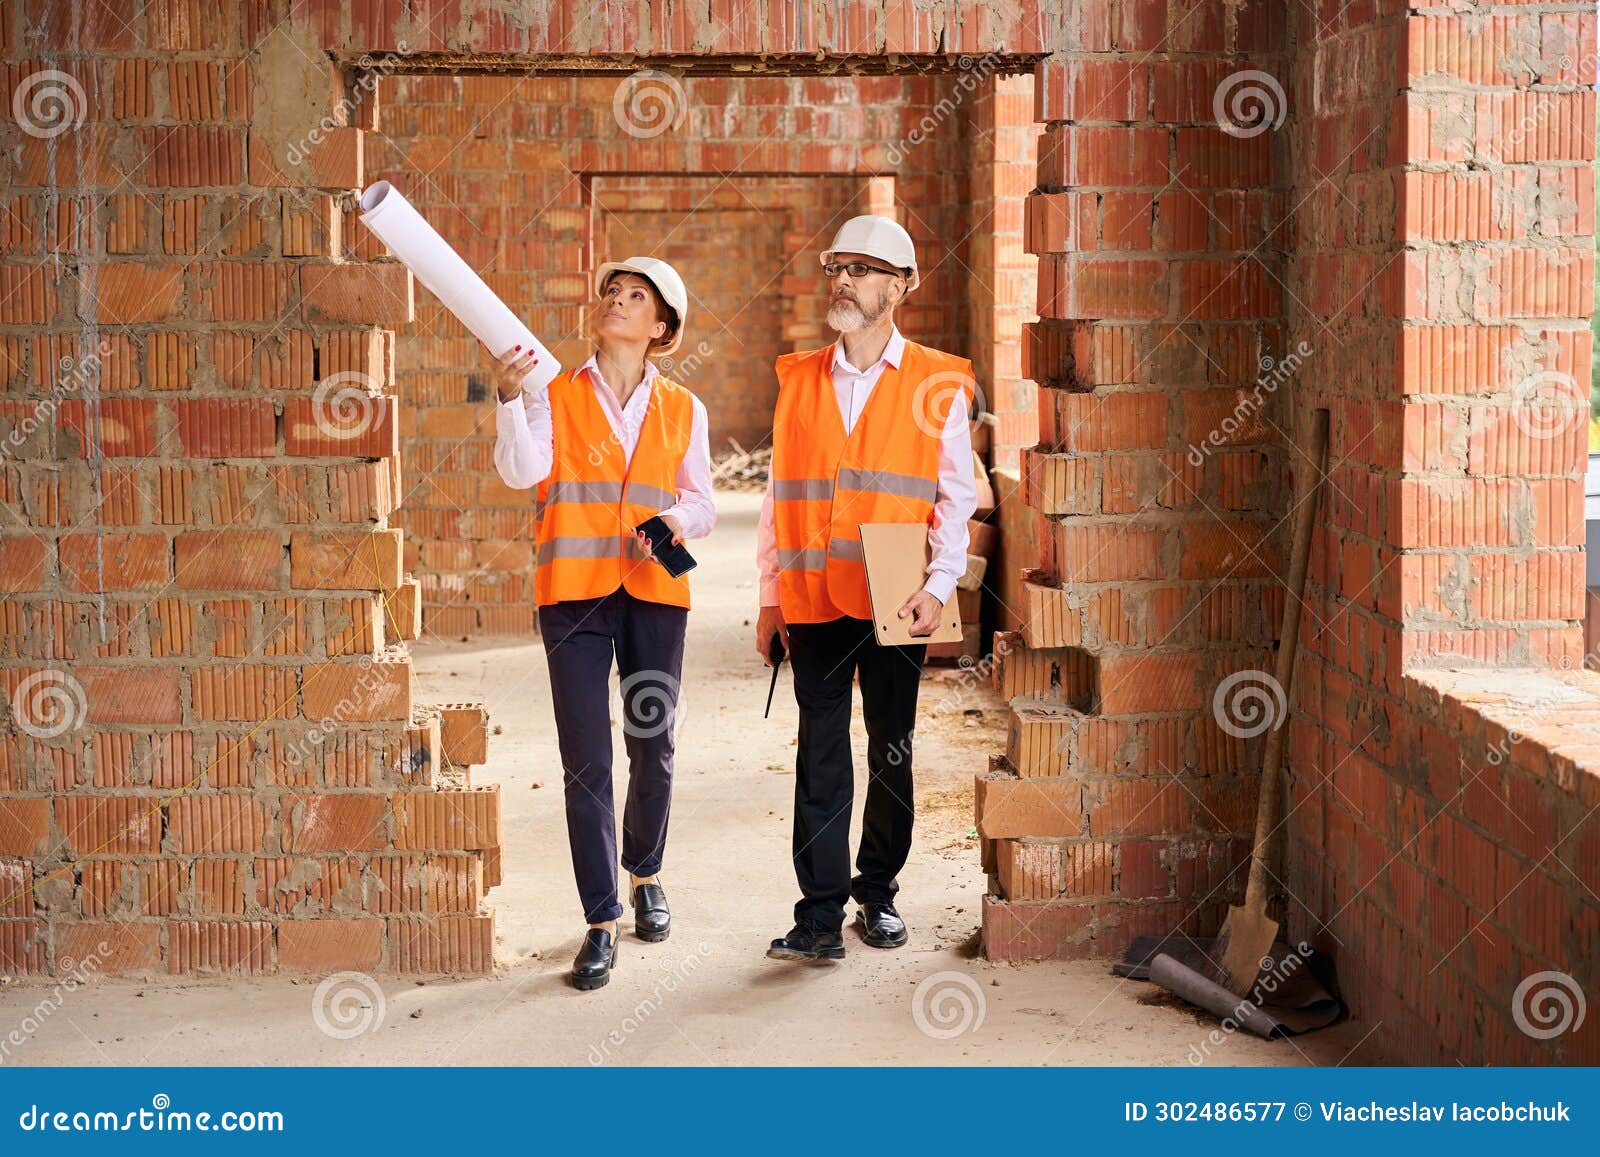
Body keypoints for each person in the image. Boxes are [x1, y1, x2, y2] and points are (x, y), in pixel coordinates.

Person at [755, 215, 977, 962]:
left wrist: (941, 585)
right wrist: (767, 594)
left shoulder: (937, 382)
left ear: (901, 285)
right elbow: (776, 492)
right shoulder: (799, 378)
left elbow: (955, 496)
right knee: (822, 749)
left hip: (894, 580)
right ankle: (818, 917)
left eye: (863, 268)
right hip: (814, 586)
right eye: (837, 266)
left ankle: (875, 894)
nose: (843, 280)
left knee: (891, 747)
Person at [490, 256, 715, 991]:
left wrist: (672, 519)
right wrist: (506, 399)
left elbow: (703, 503)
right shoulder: (551, 389)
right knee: (586, 759)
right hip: (574, 594)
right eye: (611, 292)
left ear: (661, 329)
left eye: (635, 297)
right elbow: (523, 472)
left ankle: (646, 869)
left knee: (654, 744)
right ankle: (601, 917)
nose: (616, 302)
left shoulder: (685, 409)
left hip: (653, 590)